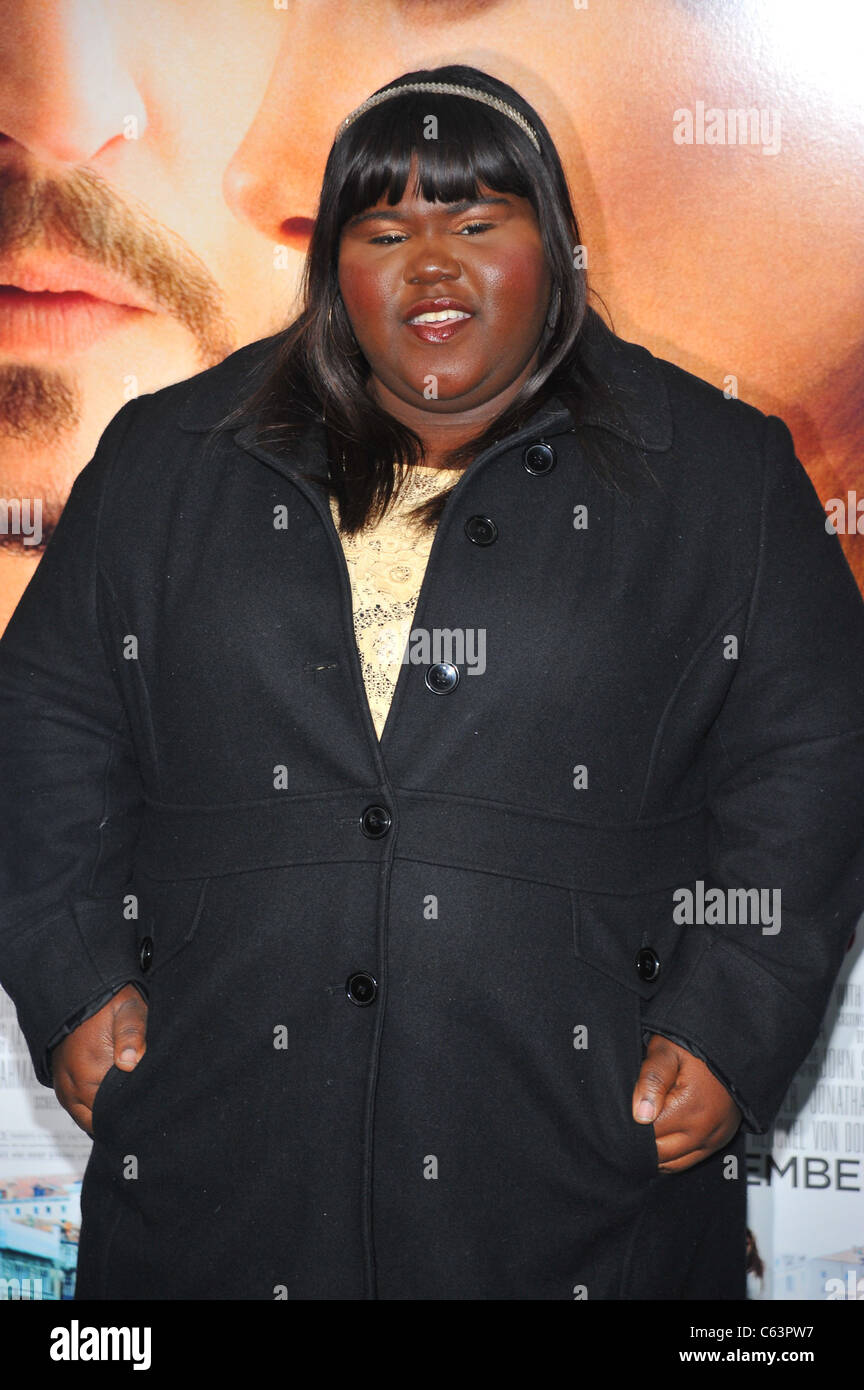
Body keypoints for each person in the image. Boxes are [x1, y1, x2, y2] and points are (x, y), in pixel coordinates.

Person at [0, 64, 863, 1302]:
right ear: (331, 264)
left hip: (581, 1188)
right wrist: (74, 973)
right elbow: (43, 724)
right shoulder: (167, 458)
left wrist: (735, 1018)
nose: (434, 266)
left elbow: (816, 764)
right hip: (219, 1172)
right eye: (387, 231)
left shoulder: (719, 473)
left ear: (556, 244)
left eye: (476, 223)